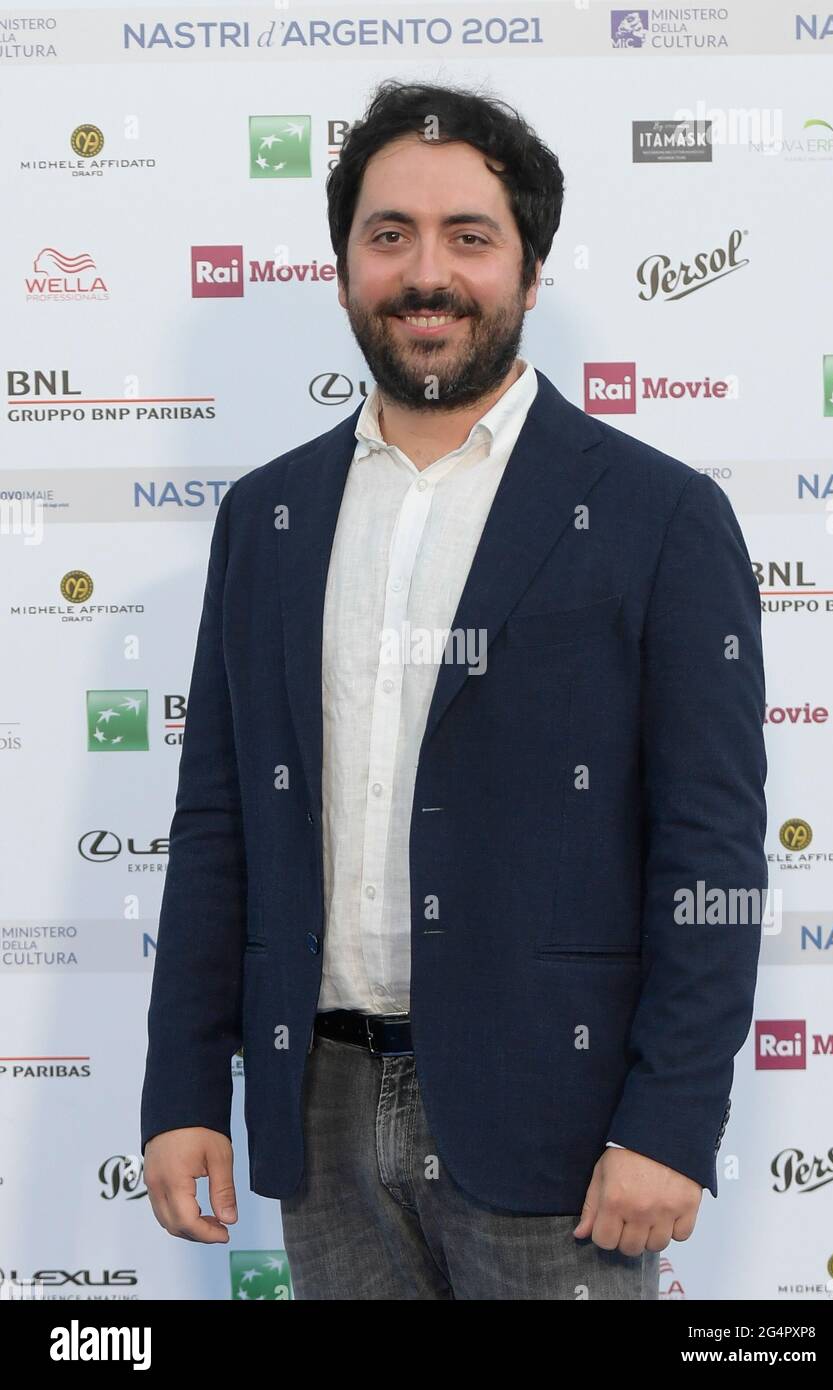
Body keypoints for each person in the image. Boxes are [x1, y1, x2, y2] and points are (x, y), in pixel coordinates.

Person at [141, 80, 768, 1301]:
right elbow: (216, 822)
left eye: (467, 238)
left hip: (561, 1125)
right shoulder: (265, 517)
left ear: (528, 273)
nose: (426, 273)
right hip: (314, 1116)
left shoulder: (657, 515)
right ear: (341, 272)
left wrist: (671, 1119)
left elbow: (710, 851)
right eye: (389, 236)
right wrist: (181, 1092)